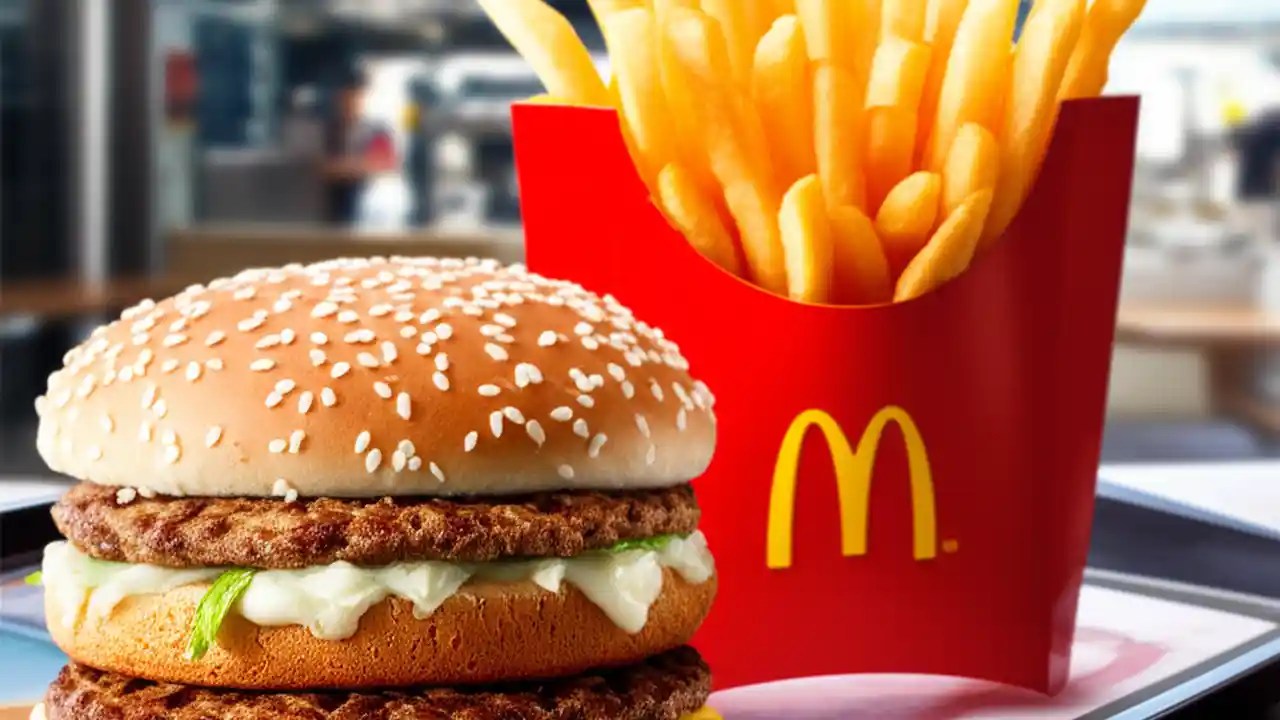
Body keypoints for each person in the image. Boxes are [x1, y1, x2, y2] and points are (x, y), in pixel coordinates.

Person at [321, 68, 395, 225]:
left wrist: (347, 167)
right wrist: (359, 166)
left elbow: (386, 163)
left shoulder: (377, 129)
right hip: (335, 208)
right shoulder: (331, 130)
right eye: (345, 99)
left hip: (373, 206)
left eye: (355, 98)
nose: (350, 104)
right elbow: (323, 168)